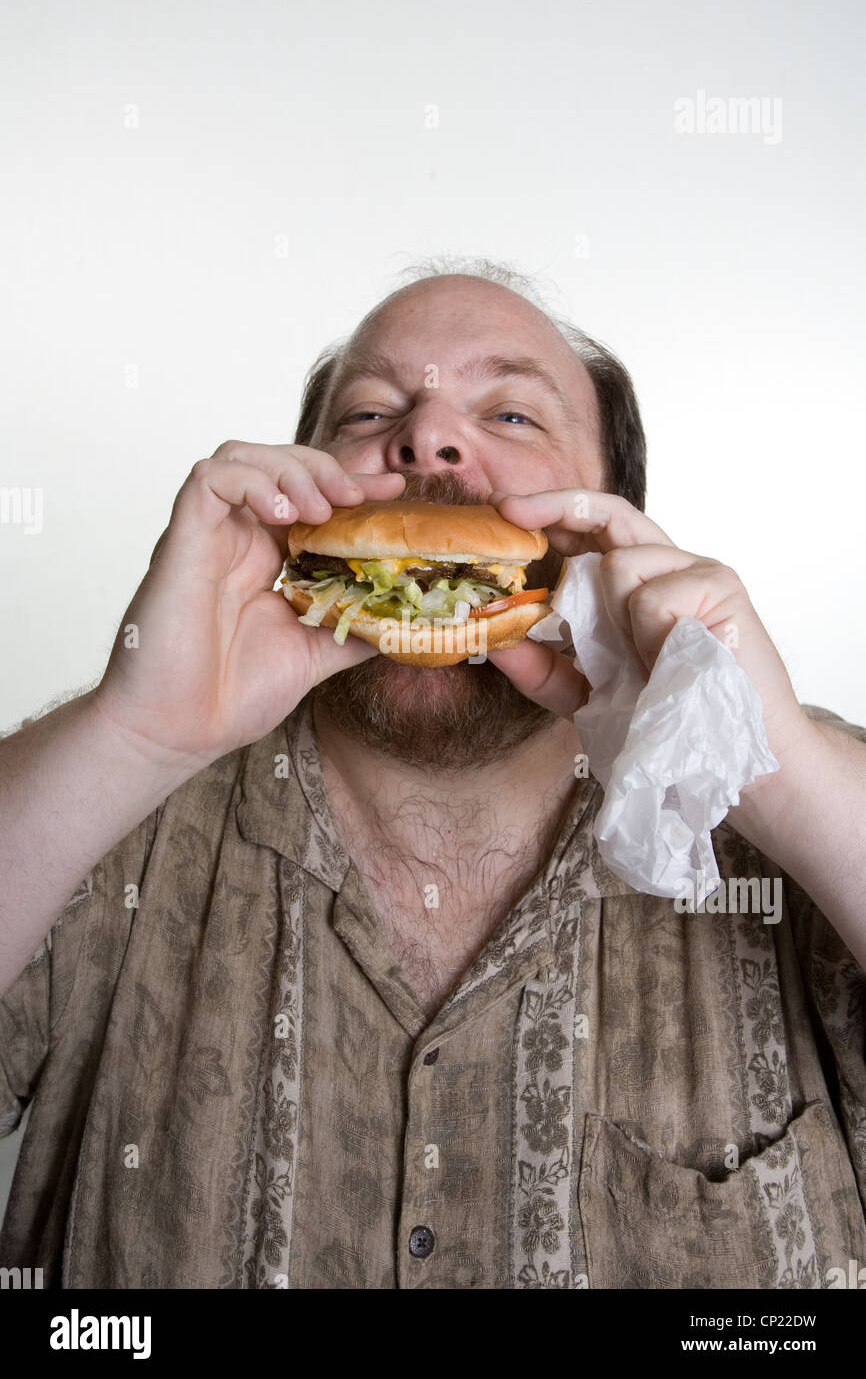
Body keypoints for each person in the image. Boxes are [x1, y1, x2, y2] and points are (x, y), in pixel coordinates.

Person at [1, 260, 864, 1290]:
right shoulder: (112, 809)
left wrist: (758, 757)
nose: (427, 436)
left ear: (609, 525)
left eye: (510, 413)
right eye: (370, 413)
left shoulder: (796, 801)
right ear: (295, 505)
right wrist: (134, 735)